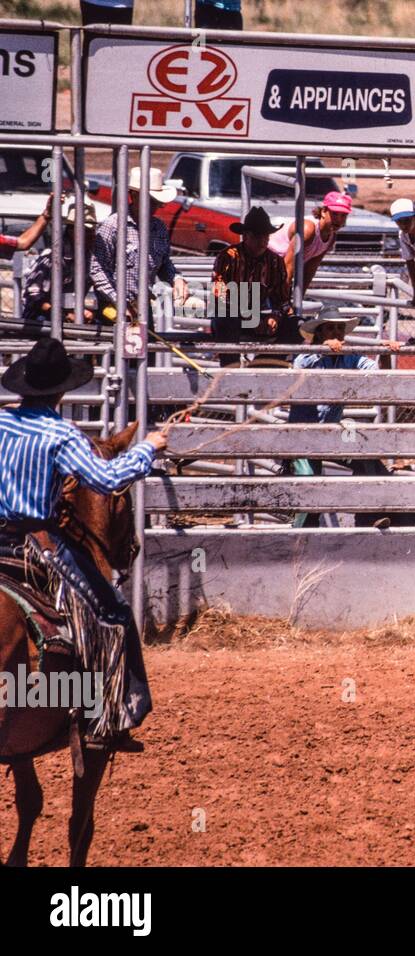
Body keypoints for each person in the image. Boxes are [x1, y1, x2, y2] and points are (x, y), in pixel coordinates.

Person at [0, 336, 166, 751]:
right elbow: (108, 480)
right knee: (112, 609)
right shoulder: (61, 435)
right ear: (61, 391)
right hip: (34, 543)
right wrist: (148, 449)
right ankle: (113, 715)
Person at [285, 311, 401, 528]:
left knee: (364, 451)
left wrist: (384, 352)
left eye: (340, 329)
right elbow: (299, 366)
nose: (336, 333)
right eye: (330, 328)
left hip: (331, 431)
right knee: (308, 482)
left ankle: (368, 515)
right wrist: (323, 349)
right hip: (304, 435)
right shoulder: (307, 356)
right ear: (319, 334)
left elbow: (378, 374)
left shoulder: (349, 357)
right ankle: (299, 534)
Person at [90, 166, 187, 322]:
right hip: (113, 310)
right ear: (134, 196)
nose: (155, 206)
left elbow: (164, 263)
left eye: (156, 201)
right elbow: (97, 270)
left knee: (146, 344)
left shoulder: (159, 228)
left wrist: (176, 279)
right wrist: (119, 301)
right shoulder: (113, 226)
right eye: (151, 200)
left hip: (142, 307)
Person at [209, 206, 297, 366]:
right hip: (229, 317)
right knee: (227, 320)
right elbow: (219, 297)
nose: (263, 241)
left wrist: (275, 316)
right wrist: (251, 318)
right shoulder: (227, 257)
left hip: (258, 318)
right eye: (258, 236)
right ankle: (230, 370)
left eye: (266, 236)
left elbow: (282, 298)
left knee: (296, 325)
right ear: (246, 236)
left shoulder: (275, 261)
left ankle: (264, 365)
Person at [20, 197, 100, 328]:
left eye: (92, 231)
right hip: (42, 321)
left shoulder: (93, 259)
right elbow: (32, 296)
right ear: (71, 231)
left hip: (76, 318)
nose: (91, 236)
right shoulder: (52, 257)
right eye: (86, 231)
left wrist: (88, 313)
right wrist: (63, 314)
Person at [270, 190, 351, 293]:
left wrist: (298, 298)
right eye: (335, 214)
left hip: (271, 272)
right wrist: (283, 302)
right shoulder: (307, 230)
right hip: (255, 269)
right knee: (250, 307)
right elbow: (288, 266)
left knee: (253, 306)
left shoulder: (330, 236)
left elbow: (310, 269)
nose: (339, 219)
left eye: (343, 215)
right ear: (323, 212)